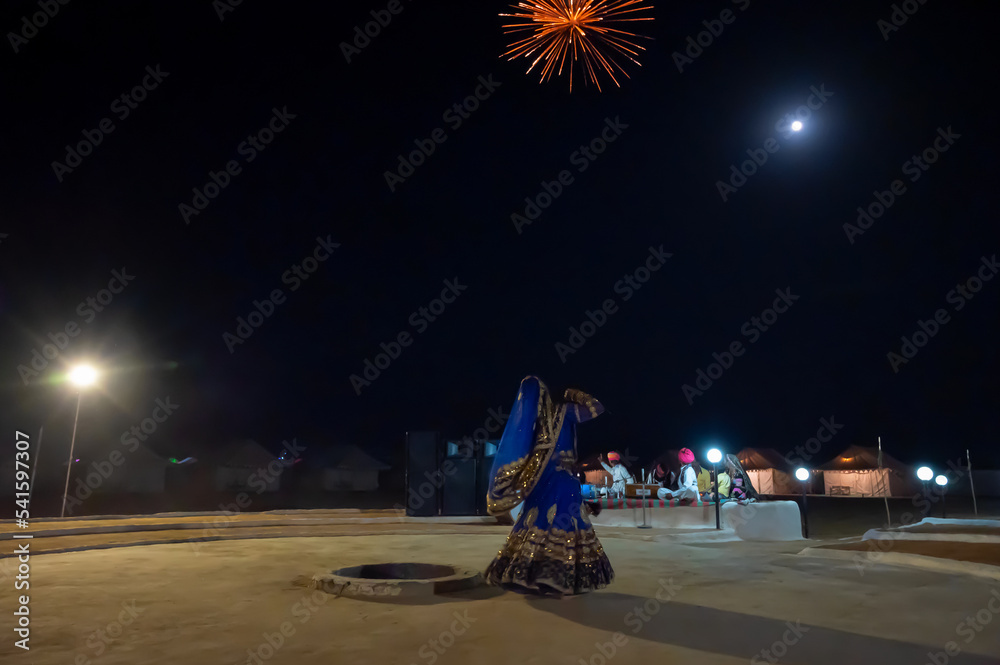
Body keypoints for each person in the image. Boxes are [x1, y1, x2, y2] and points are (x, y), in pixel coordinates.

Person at [485, 376, 614, 596]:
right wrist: (572, 392)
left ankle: (526, 575)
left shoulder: (536, 421)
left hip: (539, 479)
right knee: (563, 522)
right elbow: (596, 408)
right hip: (561, 479)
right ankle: (552, 578)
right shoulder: (564, 411)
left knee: (537, 521)